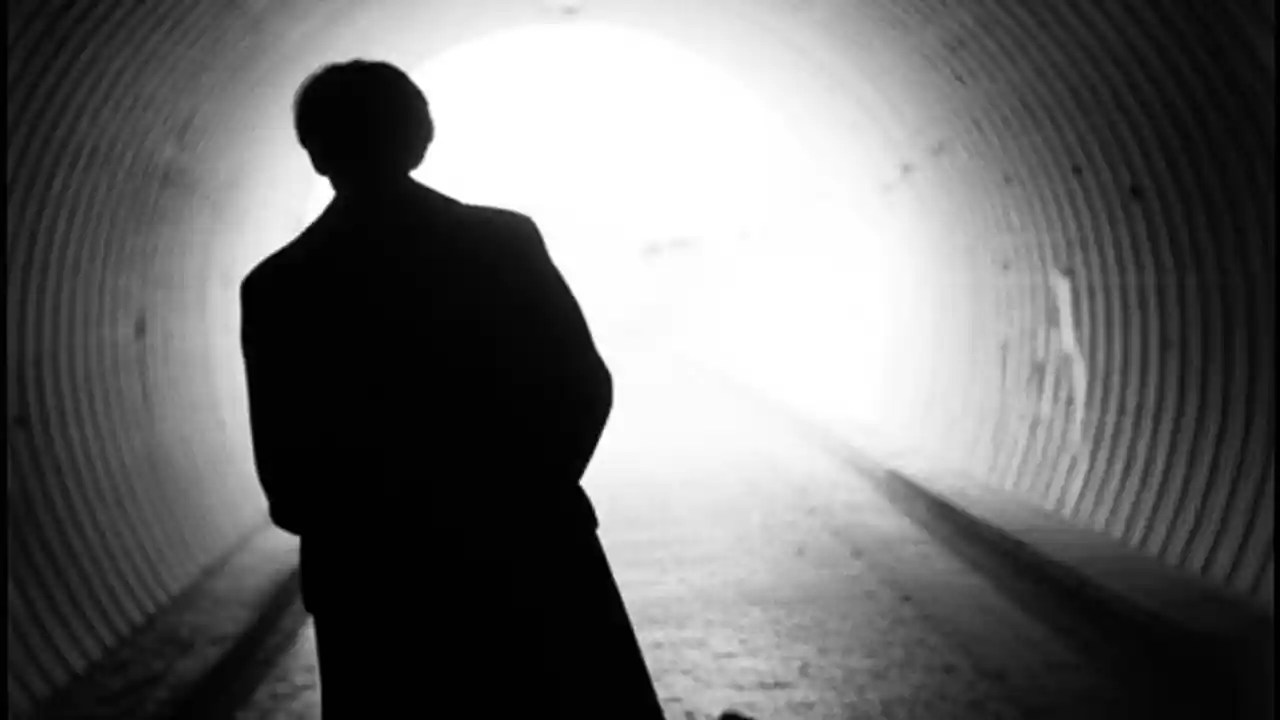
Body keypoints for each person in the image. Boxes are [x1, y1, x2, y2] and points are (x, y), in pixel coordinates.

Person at [239, 59, 664, 718]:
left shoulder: (279, 288)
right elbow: (583, 385)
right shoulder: (501, 242)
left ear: (315, 152)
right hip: (536, 568)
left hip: (375, 600)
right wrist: (527, 501)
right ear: (421, 139)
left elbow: (289, 485)